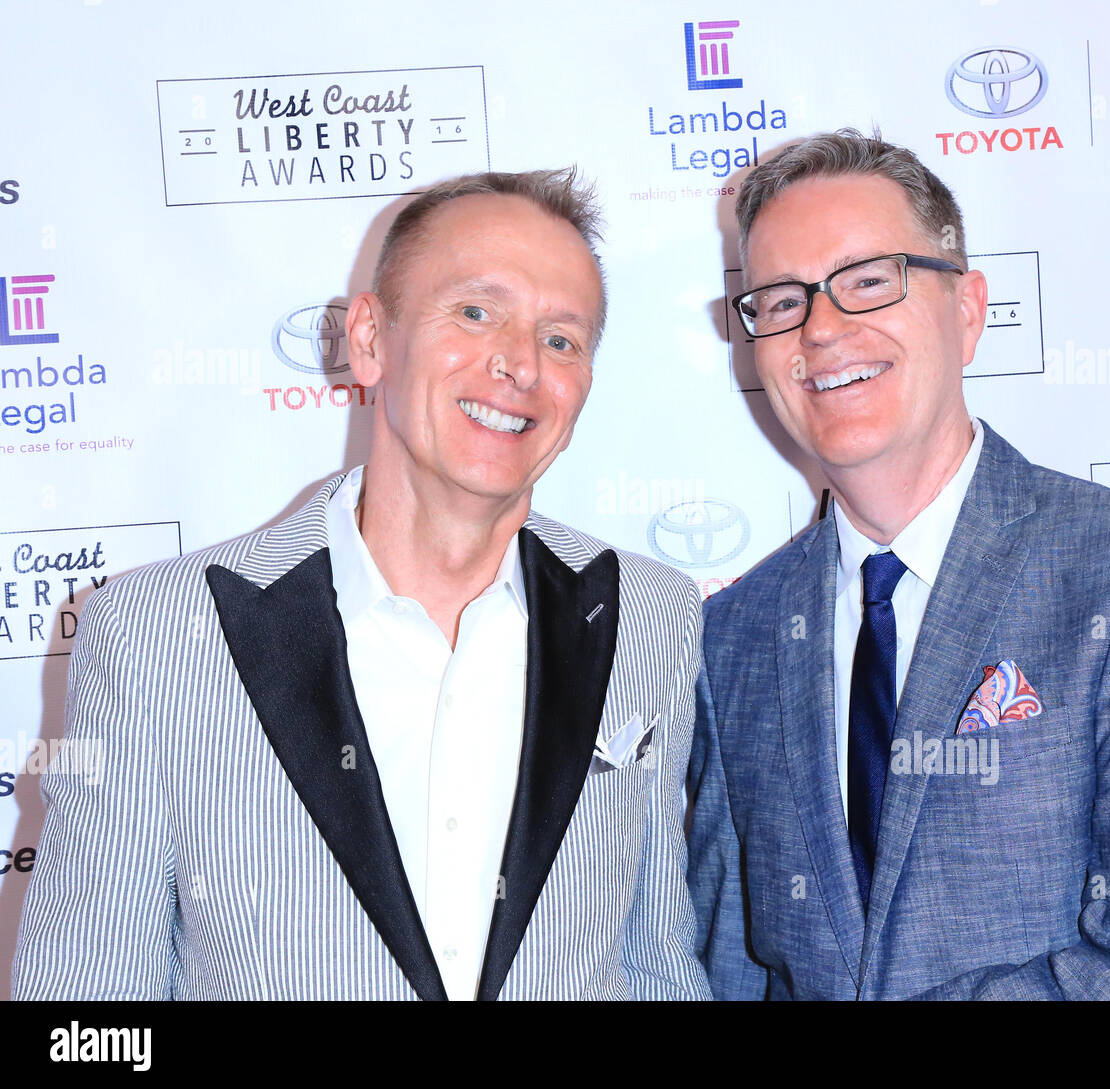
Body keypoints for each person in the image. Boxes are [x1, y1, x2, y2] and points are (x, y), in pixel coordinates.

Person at [13, 168, 709, 1001]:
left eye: (561, 338)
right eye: (475, 312)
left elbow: (655, 965)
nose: (519, 364)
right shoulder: (157, 633)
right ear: (372, 340)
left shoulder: (650, 615)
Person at [686, 129, 1110, 1000]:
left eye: (866, 282)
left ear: (967, 311)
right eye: (780, 301)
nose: (821, 328)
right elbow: (731, 975)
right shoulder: (731, 635)